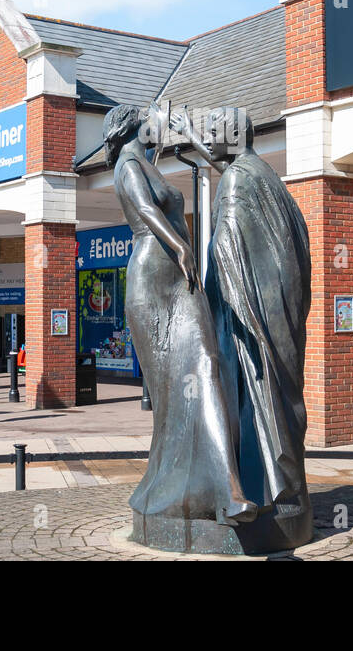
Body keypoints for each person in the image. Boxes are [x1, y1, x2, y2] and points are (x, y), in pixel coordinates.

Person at [104, 103, 256, 529]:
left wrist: (188, 134)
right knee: (172, 393)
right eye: (149, 123)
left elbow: (224, 165)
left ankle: (230, 490)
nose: (156, 128)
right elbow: (147, 211)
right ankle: (176, 488)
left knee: (207, 363)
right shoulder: (128, 165)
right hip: (154, 278)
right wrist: (181, 246)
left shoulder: (148, 161)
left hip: (179, 275)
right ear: (134, 128)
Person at [172, 106, 313, 551]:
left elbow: (228, 255)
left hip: (247, 321)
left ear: (233, 136)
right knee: (277, 405)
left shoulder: (236, 182)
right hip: (274, 319)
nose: (210, 141)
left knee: (253, 406)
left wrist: (209, 304)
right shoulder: (262, 175)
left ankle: (258, 493)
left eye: (214, 133)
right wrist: (191, 134)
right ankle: (285, 490)